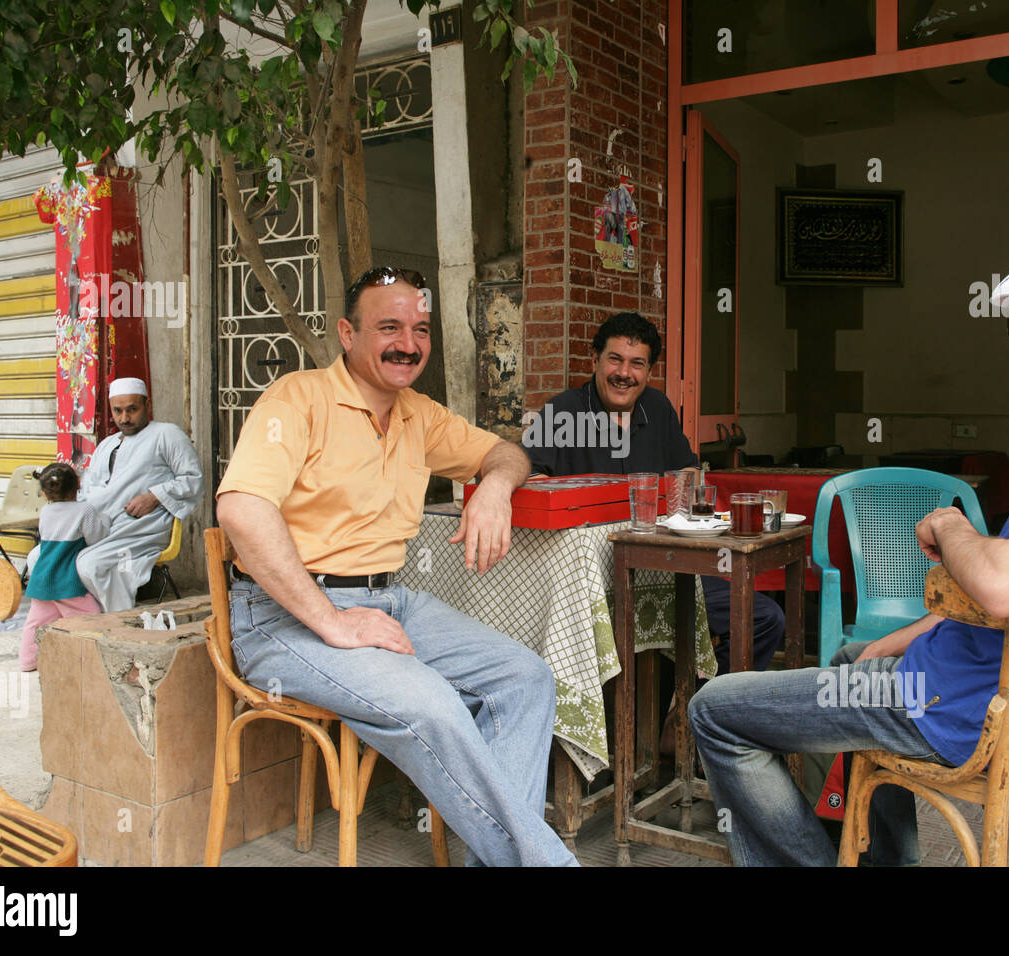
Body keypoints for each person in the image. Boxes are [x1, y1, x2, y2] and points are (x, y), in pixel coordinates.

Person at [689, 250, 1009, 866]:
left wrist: (952, 526)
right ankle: (879, 859)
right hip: (976, 684)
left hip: (964, 701)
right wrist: (904, 638)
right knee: (850, 656)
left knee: (715, 710)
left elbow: (1003, 588)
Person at [216, 265, 576, 867]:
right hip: (283, 618)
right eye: (389, 327)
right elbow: (242, 512)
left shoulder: (418, 413)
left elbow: (506, 451)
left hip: (389, 602)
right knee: (432, 704)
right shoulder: (297, 399)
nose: (408, 345)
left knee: (526, 678)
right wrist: (333, 621)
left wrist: (494, 488)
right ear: (347, 334)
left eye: (421, 329)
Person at [526, 311, 786, 675]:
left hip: (668, 568)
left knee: (766, 618)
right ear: (595, 360)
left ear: (649, 372)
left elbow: (689, 471)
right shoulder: (562, 410)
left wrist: (688, 494)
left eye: (637, 364)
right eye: (614, 359)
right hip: (591, 582)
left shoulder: (659, 407)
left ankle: (697, 710)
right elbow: (530, 475)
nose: (623, 373)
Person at [76, 378, 204, 612]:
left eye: (132, 409)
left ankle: (118, 622)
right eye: (118, 411)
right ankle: (80, 623)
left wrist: (154, 497)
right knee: (41, 559)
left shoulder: (167, 434)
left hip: (140, 529)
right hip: (99, 525)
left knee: (90, 565)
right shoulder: (107, 444)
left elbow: (193, 479)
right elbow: (89, 488)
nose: (124, 418)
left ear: (148, 404)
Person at [19, 463, 110, 671]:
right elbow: (96, 536)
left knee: (35, 623)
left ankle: (27, 661)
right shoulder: (84, 509)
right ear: (77, 485)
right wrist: (104, 520)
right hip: (66, 580)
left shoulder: (46, 511)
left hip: (42, 578)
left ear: (44, 493)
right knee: (91, 618)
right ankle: (95, 660)